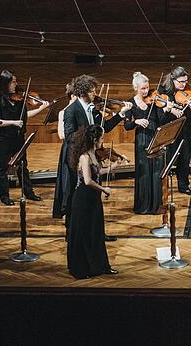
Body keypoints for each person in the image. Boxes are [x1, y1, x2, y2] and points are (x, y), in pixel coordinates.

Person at [53, 74, 131, 242]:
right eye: (92, 91)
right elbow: (69, 137)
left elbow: (104, 128)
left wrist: (120, 114)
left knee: (94, 195)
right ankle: (72, 233)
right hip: (76, 159)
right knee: (74, 194)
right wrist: (89, 141)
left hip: (91, 156)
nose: (95, 94)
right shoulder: (71, 111)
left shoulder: (93, 108)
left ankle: (97, 233)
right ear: (83, 92)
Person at [0, 70, 49, 206]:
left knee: (23, 165)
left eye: (15, 81)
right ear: (6, 83)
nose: (16, 84)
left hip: (17, 137)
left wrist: (42, 108)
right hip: (2, 138)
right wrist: (13, 122)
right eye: (13, 82)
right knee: (3, 167)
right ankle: (4, 196)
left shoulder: (19, 98)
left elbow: (25, 115)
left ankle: (29, 192)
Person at [66, 124, 118, 279]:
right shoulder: (84, 157)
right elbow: (88, 181)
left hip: (93, 198)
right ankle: (81, 268)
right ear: (95, 139)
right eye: (102, 138)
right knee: (83, 234)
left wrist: (112, 167)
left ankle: (99, 266)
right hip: (83, 199)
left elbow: (98, 171)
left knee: (95, 233)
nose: (103, 140)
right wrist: (104, 189)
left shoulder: (93, 154)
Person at [124, 72, 174, 214]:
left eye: (147, 88)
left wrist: (168, 110)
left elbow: (162, 121)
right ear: (135, 88)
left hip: (155, 138)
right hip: (141, 140)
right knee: (144, 172)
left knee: (156, 172)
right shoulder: (131, 103)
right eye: (143, 89)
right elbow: (127, 126)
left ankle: (156, 206)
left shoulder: (154, 101)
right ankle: (143, 206)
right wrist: (136, 121)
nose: (146, 91)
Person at [161, 66, 191, 195]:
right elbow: (159, 112)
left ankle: (184, 185)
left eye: (185, 81)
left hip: (185, 130)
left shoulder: (188, 91)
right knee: (167, 158)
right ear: (173, 79)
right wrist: (171, 109)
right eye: (181, 82)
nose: (184, 84)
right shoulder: (164, 91)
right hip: (170, 130)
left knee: (184, 158)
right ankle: (162, 186)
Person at [52, 83, 76, 219]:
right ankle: (67, 209)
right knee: (67, 182)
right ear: (72, 96)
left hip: (76, 148)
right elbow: (62, 135)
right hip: (69, 149)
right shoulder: (64, 112)